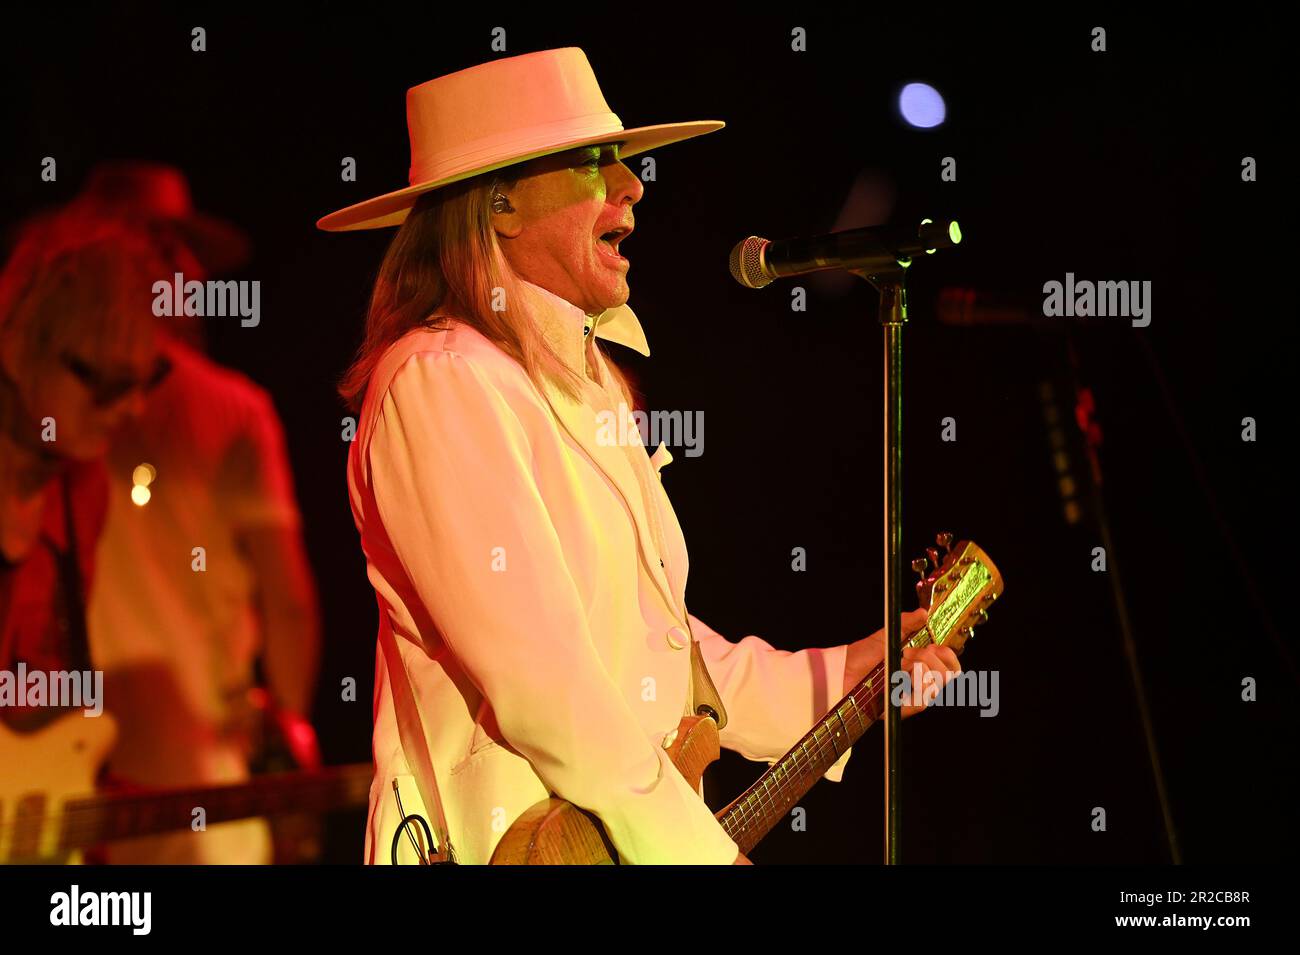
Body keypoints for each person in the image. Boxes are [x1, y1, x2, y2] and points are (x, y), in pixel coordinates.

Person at [318, 47, 959, 865]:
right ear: (502, 204)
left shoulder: (595, 387)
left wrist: (849, 676)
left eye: (621, 160)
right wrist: (699, 853)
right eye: (592, 162)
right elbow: (543, 683)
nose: (631, 186)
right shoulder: (439, 381)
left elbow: (656, 653)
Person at [67, 163, 323, 864]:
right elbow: (288, 599)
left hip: (63, 767)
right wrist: (290, 735)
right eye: (179, 254)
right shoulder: (235, 408)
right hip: (209, 766)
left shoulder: (45, 399)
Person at [0, 210, 167, 737]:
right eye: (109, 381)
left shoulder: (83, 490)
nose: (133, 408)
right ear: (20, 344)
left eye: (146, 381)